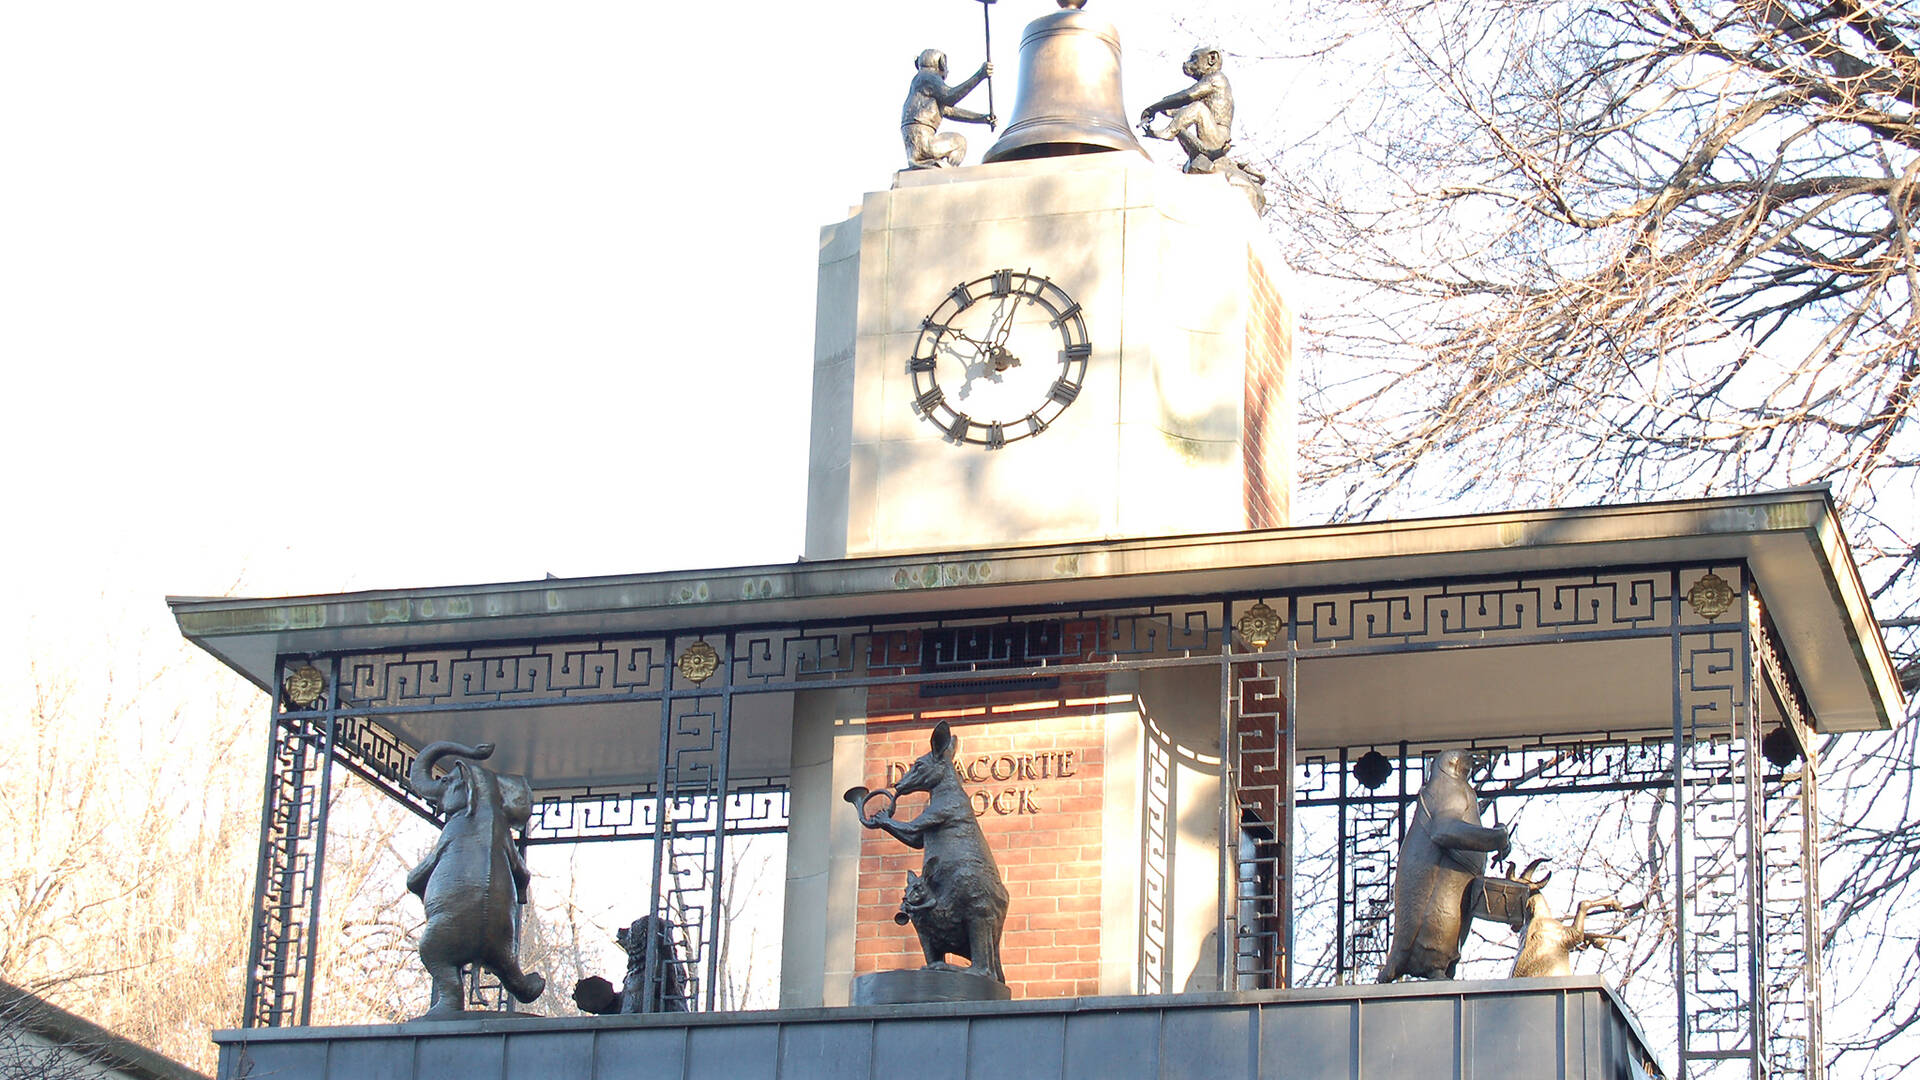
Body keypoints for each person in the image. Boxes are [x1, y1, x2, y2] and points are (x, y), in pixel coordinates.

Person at [1139, 46, 1234, 173]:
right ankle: (1190, 151)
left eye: (1194, 59)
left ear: (1211, 59)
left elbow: (1188, 96)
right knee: (1185, 120)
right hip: (1210, 132)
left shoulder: (1216, 78)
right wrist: (1164, 108)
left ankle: (1169, 132)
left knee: (1198, 108)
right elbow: (1186, 114)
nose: (1190, 63)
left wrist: (1155, 107)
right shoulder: (1207, 86)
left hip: (1219, 136)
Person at [902, 49, 995, 169]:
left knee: (957, 141)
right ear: (941, 64)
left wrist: (982, 118)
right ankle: (947, 174)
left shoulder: (923, 84)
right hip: (924, 141)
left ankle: (940, 170)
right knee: (959, 142)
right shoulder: (928, 77)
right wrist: (980, 75)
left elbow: (950, 111)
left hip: (917, 144)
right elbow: (950, 97)